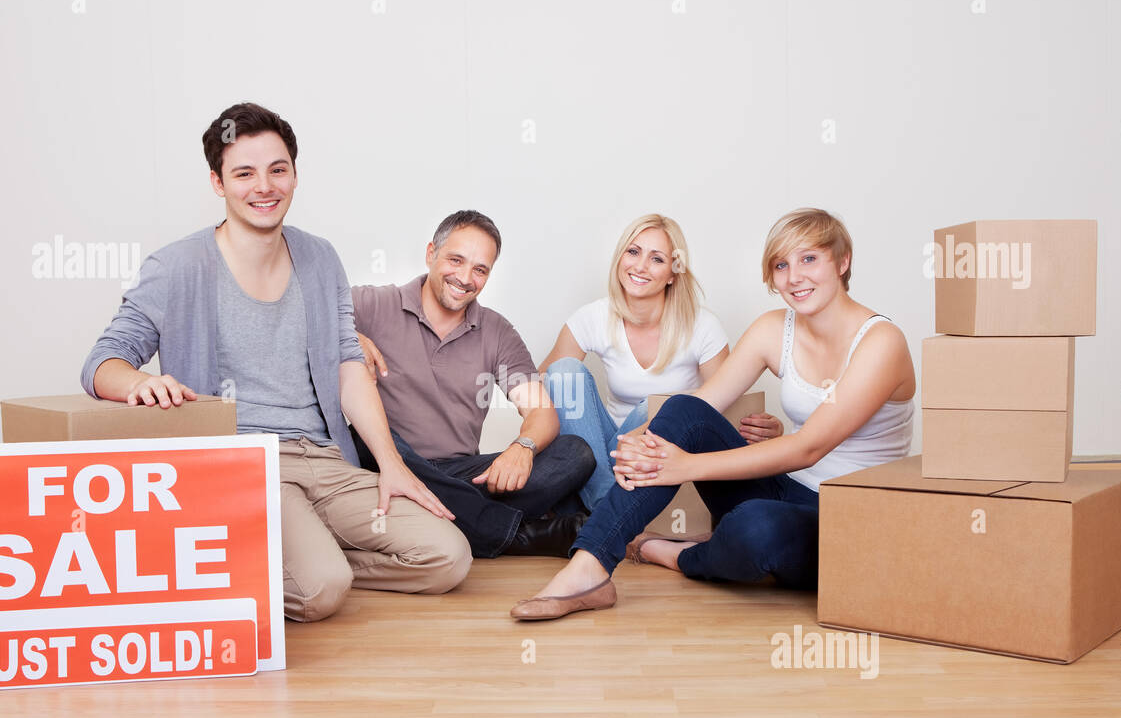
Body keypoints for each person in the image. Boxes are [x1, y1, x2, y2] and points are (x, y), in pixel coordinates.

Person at [80, 102, 471, 624]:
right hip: (247, 467)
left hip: (327, 461)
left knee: (448, 557)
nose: (264, 186)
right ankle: (307, 567)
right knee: (321, 592)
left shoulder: (319, 257)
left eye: (277, 169)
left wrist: (392, 466)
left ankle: (310, 559)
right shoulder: (177, 267)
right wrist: (139, 384)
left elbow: (348, 364)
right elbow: (102, 362)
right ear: (218, 183)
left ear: (293, 174)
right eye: (244, 173)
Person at [510, 208, 916, 621]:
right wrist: (641, 443)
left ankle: (673, 553)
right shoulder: (774, 328)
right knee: (682, 408)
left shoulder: (881, 342)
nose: (794, 277)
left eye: (809, 259)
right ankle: (589, 569)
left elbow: (809, 447)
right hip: (787, 490)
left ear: (842, 262)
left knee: (755, 528)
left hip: (850, 514)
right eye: (781, 264)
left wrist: (686, 465)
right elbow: (705, 404)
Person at [352, 211, 594, 559]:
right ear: (430, 253)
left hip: (462, 474)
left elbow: (541, 412)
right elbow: (300, 312)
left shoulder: (497, 332)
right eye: (456, 260)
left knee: (575, 453)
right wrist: (349, 335)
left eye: (480, 270)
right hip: (388, 463)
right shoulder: (374, 304)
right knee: (362, 437)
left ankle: (452, 517)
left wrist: (522, 447)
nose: (465, 278)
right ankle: (517, 536)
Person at [539, 213, 782, 512]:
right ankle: (605, 503)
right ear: (619, 260)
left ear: (672, 273)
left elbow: (727, 401)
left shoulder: (702, 326)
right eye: (633, 252)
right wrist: (529, 442)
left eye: (656, 259)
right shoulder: (593, 317)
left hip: (657, 450)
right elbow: (538, 384)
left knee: (658, 405)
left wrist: (765, 429)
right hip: (604, 451)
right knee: (563, 372)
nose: (640, 266)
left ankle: (592, 508)